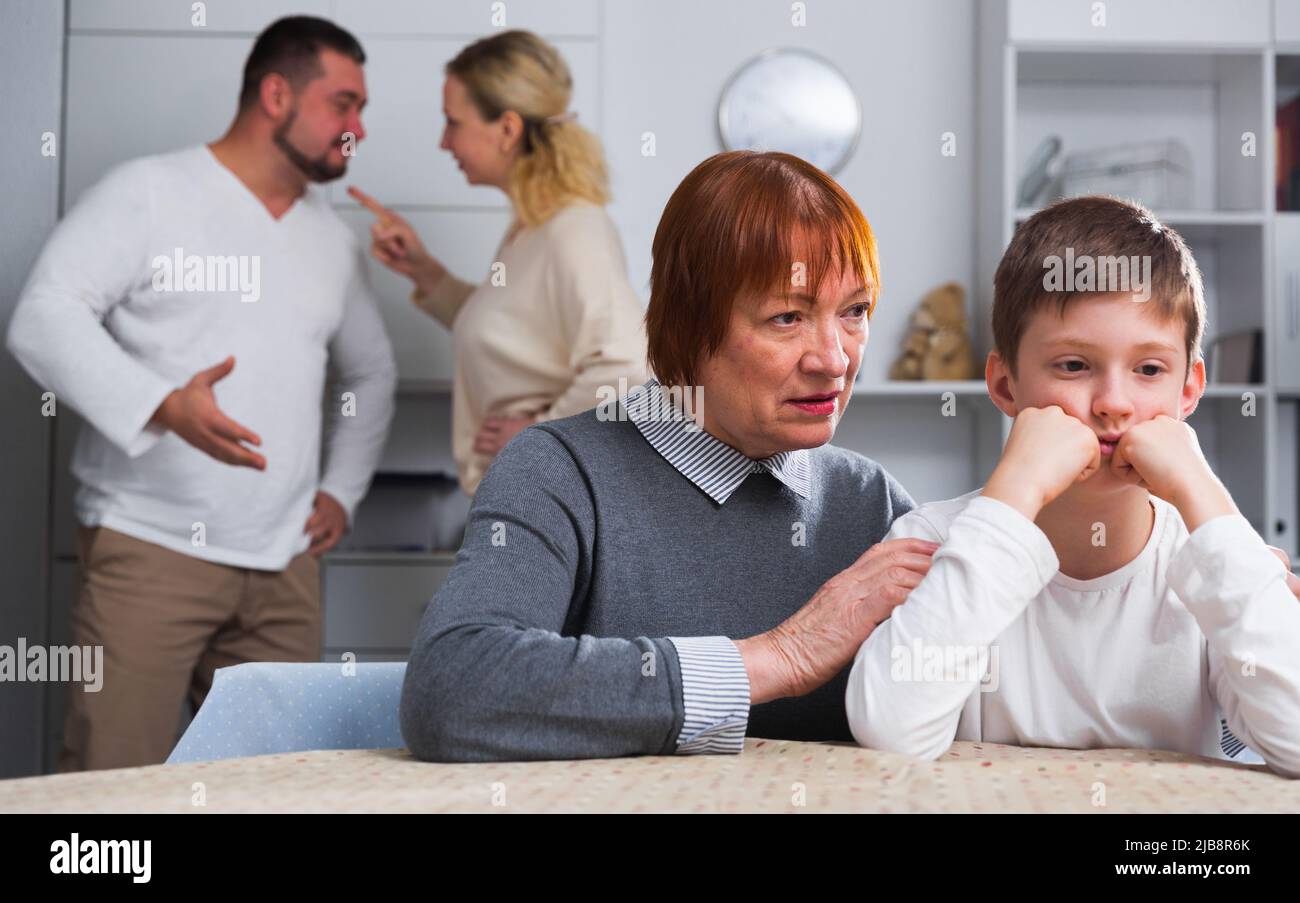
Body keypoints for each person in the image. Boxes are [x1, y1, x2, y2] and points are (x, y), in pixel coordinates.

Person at [398, 150, 938, 762]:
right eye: (788, 317)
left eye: (855, 312)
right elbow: (453, 688)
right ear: (684, 326)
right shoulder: (558, 472)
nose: (835, 360)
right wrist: (780, 656)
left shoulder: (873, 504)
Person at [5, 15, 397, 770]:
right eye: (344, 104)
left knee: (284, 788)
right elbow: (42, 316)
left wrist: (341, 490)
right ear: (276, 94)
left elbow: (372, 371)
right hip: (149, 550)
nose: (358, 129)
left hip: (284, 567)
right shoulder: (149, 193)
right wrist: (163, 404)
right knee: (113, 785)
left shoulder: (332, 239)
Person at [846, 196, 1300, 777]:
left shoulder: (1215, 560)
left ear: (1189, 391)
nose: (1113, 402)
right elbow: (891, 728)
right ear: (1006, 386)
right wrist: (1014, 490)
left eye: (1150, 370)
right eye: (1073, 366)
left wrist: (1203, 496)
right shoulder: (935, 542)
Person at [349, 29, 648, 495]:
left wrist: (539, 436)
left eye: (453, 123)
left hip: (541, 501)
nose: (443, 143)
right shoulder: (532, 227)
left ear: (507, 129)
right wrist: (423, 271)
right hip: (522, 496)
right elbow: (511, 334)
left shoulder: (573, 229)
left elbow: (628, 365)